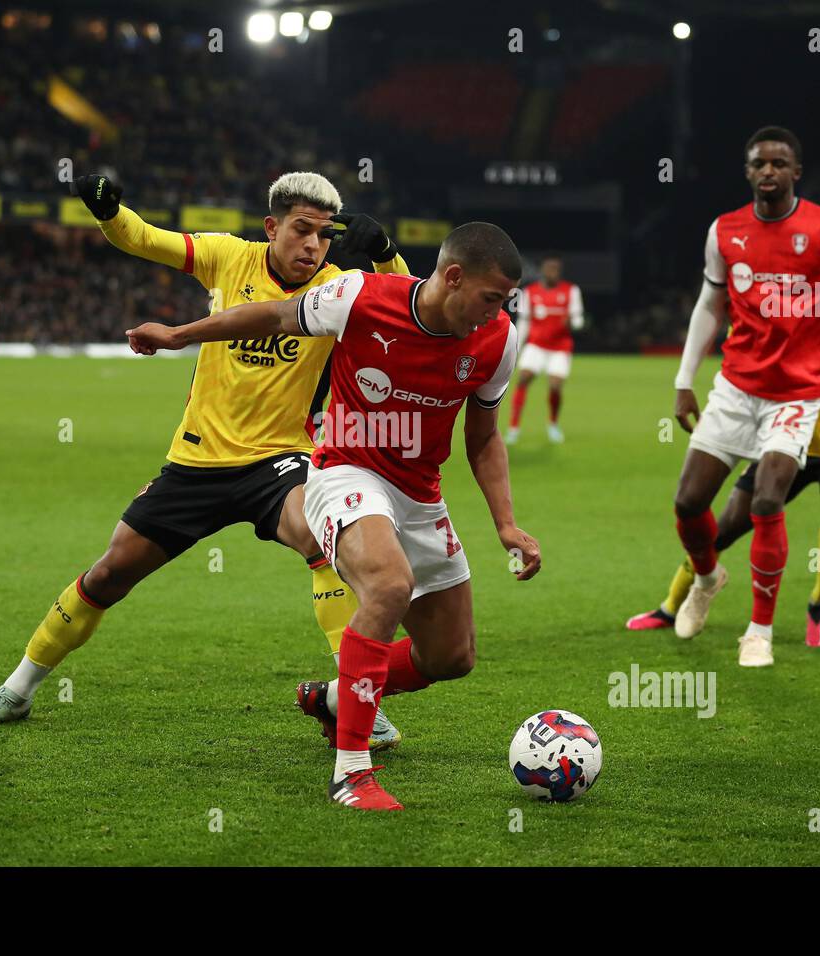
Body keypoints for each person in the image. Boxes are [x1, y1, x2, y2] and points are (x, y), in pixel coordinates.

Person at [0, 171, 408, 751]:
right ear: (272, 228)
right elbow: (144, 239)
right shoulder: (227, 257)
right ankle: (17, 689)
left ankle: (358, 694)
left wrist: (386, 255)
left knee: (323, 543)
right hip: (197, 462)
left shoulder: (340, 286)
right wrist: (108, 212)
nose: (313, 245)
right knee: (109, 573)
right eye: (301, 230)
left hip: (280, 461)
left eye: (323, 235)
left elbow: (416, 310)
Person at [124, 221, 542, 810]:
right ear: (453, 277)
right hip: (343, 471)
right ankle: (352, 773)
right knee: (388, 585)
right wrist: (178, 335)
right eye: (491, 298)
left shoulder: (498, 340)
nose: (497, 312)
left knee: (451, 657)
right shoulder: (358, 296)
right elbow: (271, 316)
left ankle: (334, 699)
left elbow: (484, 439)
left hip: (419, 494)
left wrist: (505, 522)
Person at [668, 126, 820, 667]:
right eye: (758, 163)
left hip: (796, 394)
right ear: (747, 172)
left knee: (767, 500)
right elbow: (708, 307)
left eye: (778, 163)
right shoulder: (725, 231)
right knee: (688, 503)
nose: (768, 171)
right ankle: (706, 578)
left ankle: (759, 631)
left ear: (796, 171)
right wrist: (683, 379)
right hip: (736, 387)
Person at [628, 315, 820, 647]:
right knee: (725, 527)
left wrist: (813, 375)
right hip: (789, 441)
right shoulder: (804, 327)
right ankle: (672, 606)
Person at [506, 255, 584, 444]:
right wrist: (518, 348)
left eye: (556, 269)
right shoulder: (530, 292)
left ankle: (553, 424)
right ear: (543, 270)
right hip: (536, 346)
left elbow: (580, 320)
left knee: (555, 386)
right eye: (549, 268)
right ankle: (514, 427)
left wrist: (572, 323)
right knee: (523, 379)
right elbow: (524, 322)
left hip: (560, 347)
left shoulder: (571, 291)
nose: (552, 272)